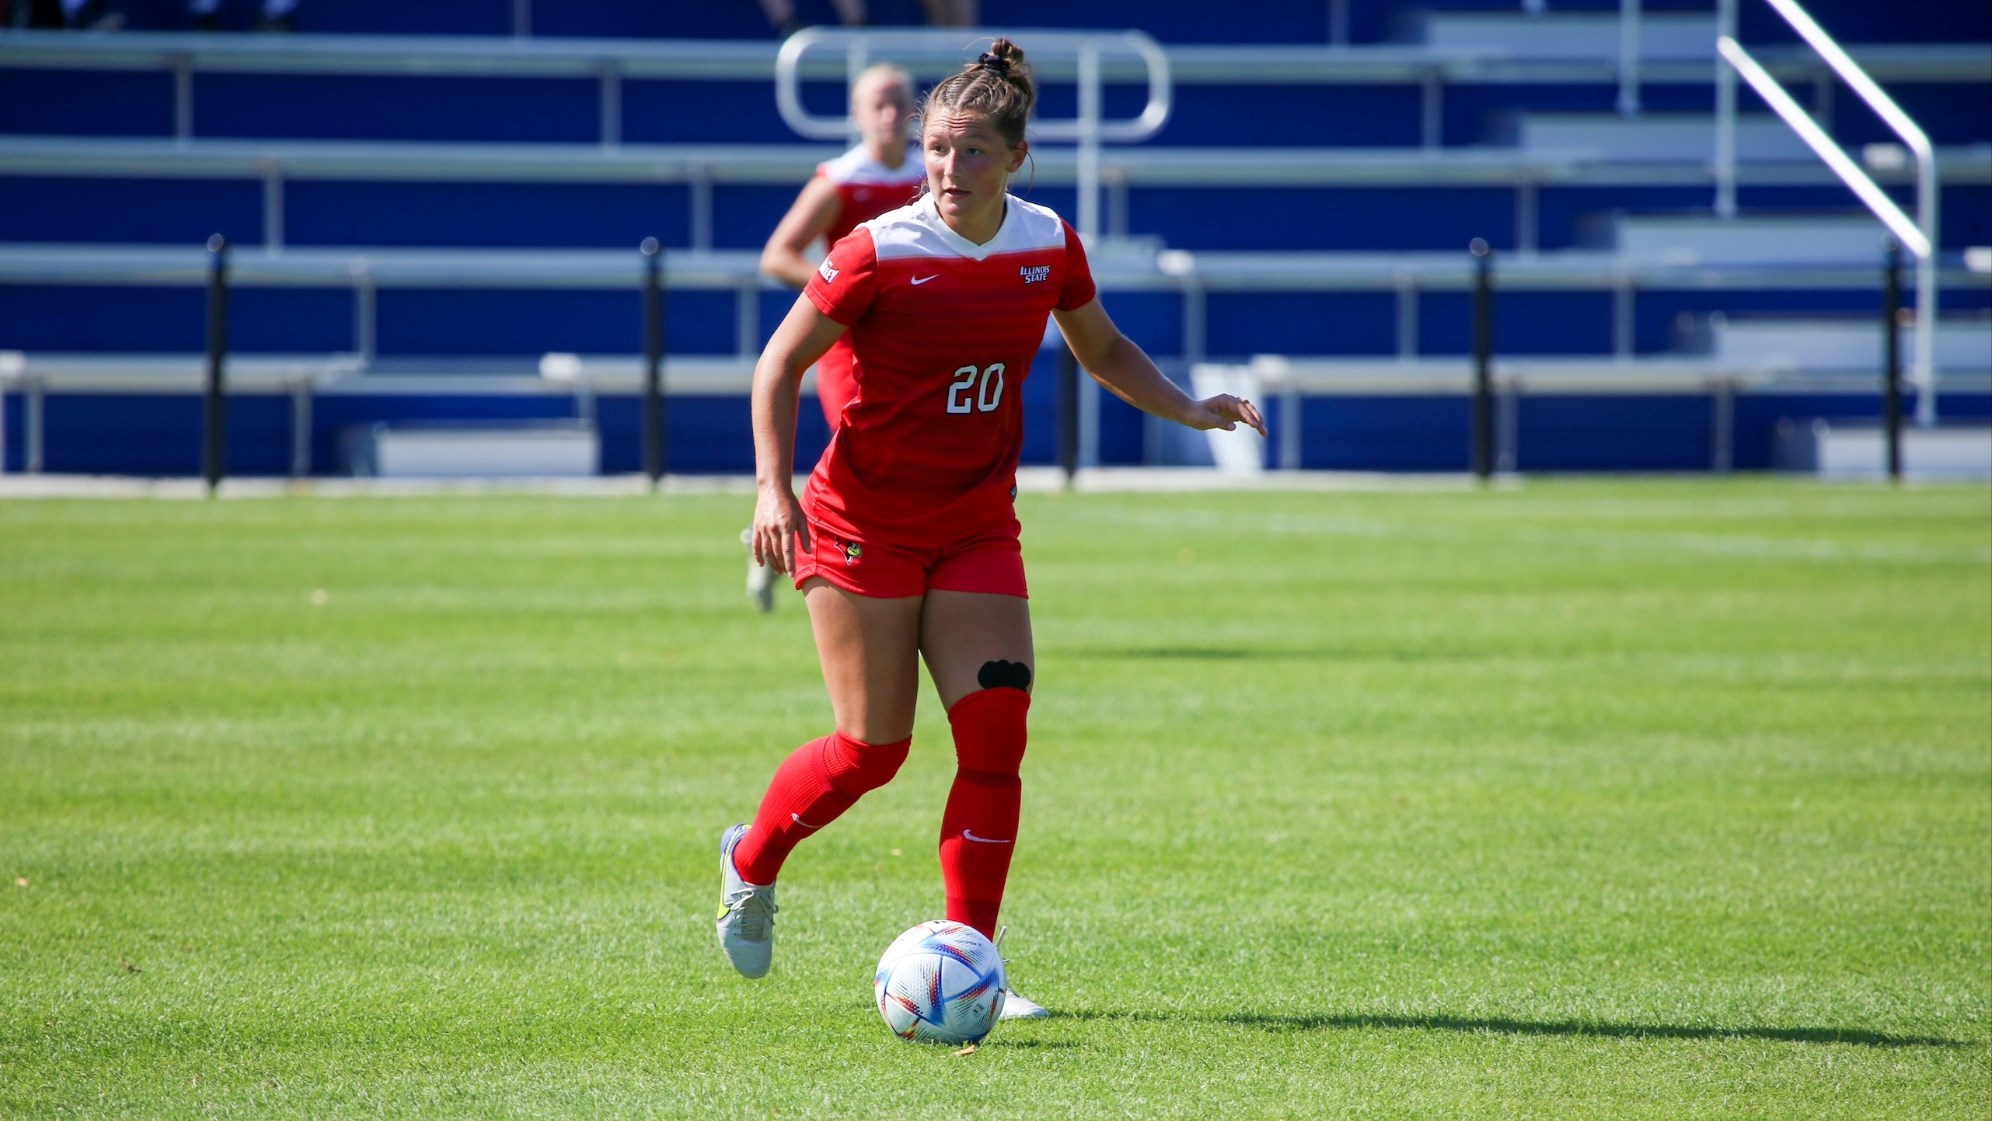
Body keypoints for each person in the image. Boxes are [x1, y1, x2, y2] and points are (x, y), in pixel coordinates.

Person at [714, 38, 1267, 1021]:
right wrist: (771, 488)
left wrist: (1187, 407)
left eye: (971, 152)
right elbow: (777, 363)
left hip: (974, 526)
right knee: (872, 749)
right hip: (862, 524)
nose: (947, 171)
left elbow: (1101, 345)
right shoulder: (878, 248)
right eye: (935, 149)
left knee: (997, 736)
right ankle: (751, 857)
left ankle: (972, 961)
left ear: (1015, 156)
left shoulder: (1047, 241)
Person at [743, 62, 923, 612]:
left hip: (911, 346)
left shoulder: (933, 172)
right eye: (878, 104)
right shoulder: (842, 179)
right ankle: (795, 536)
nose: (889, 115)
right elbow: (778, 254)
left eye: (898, 103)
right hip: (849, 345)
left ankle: (782, 535)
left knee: (903, 454)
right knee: (860, 447)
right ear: (857, 113)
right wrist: (851, 288)